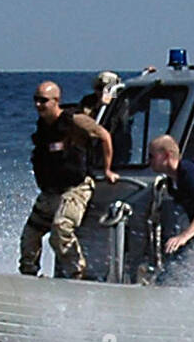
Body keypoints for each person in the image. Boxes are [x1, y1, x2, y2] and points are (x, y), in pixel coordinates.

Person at [19, 80, 120, 279]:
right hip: (51, 191)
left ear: (56, 101)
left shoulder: (75, 121)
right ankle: (28, 274)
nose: (38, 105)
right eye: (36, 100)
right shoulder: (44, 126)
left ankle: (76, 272)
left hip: (76, 187)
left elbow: (104, 136)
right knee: (30, 234)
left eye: (43, 101)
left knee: (61, 229)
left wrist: (108, 169)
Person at [148, 133, 194, 261]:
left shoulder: (191, 173)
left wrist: (184, 236)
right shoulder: (174, 179)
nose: (148, 161)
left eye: (151, 156)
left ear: (166, 155)